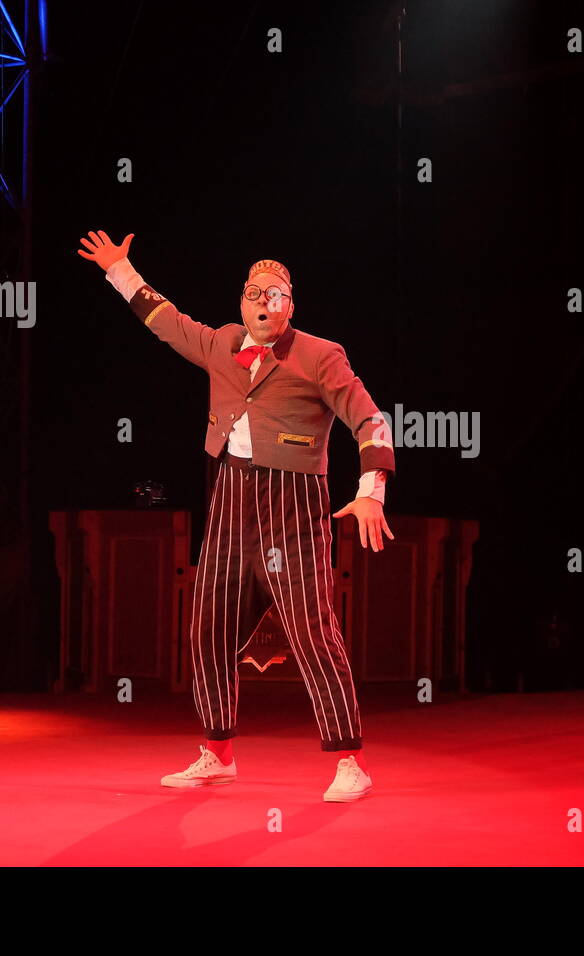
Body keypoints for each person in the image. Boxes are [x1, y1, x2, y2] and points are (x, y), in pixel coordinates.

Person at [78, 230, 395, 802]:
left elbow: (371, 420)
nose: (263, 303)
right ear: (241, 301)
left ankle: (350, 760)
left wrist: (371, 490)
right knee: (208, 626)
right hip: (230, 495)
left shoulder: (321, 354)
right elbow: (166, 321)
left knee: (311, 628)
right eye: (254, 293)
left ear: (290, 305)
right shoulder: (223, 343)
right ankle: (218, 752)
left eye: (274, 294)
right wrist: (121, 270)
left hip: (293, 501)